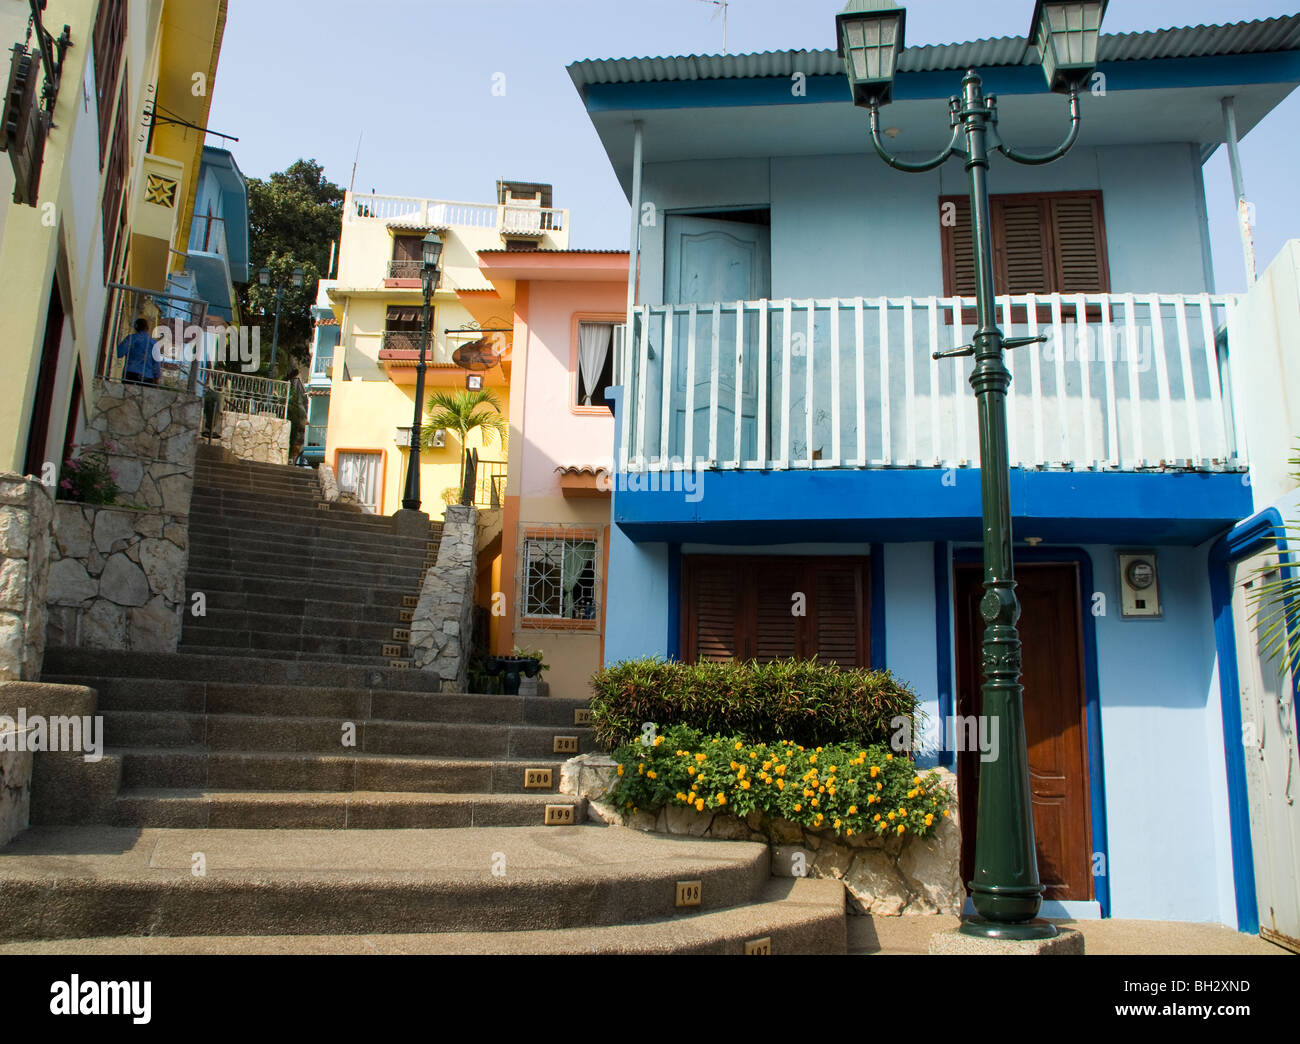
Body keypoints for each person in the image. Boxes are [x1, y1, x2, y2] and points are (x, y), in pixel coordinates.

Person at [116, 318, 161, 385]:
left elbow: (120, 353)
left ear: (135, 328)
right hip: (147, 377)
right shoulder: (153, 343)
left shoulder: (131, 338)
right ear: (147, 328)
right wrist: (157, 378)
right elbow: (156, 364)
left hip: (130, 374)